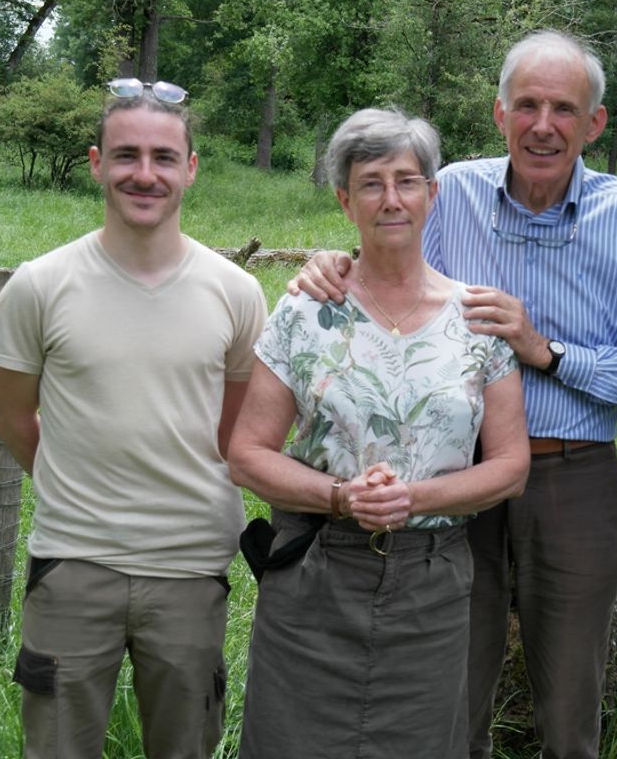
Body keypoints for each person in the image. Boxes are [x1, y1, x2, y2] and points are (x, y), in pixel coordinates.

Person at [291, 32, 617, 759]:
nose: (544, 125)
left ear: (593, 123)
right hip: (455, 474)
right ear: (499, 113)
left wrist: (548, 353)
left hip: (573, 475)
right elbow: (383, 256)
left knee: (570, 704)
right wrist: (329, 263)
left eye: (564, 109)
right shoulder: (449, 193)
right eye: (527, 105)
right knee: (448, 689)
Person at [228, 107, 530, 758]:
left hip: (433, 589)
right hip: (315, 578)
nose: (391, 199)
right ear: (344, 199)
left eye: (407, 180)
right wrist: (343, 497)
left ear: (433, 194)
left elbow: (510, 465)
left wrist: (411, 500)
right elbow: (247, 454)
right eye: (370, 183)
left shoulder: (477, 319)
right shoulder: (306, 313)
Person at [0, 78, 267, 759]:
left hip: (191, 570)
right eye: (126, 155)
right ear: (96, 162)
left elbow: (237, 439)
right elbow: (16, 420)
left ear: (191, 168)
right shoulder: (40, 286)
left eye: (164, 158)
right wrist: (84, 490)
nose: (145, 174)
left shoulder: (236, 295)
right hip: (73, 566)